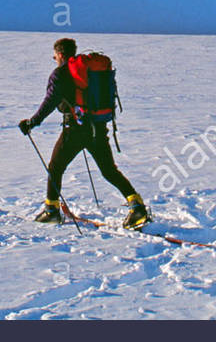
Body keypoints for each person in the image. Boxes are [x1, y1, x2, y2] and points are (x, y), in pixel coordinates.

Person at [18, 38, 150, 229]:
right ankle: (136, 205)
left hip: (75, 130)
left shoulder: (60, 74)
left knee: (55, 167)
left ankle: (51, 211)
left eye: (54, 56)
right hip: (98, 127)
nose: (54, 59)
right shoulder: (87, 71)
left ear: (60, 54)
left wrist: (32, 122)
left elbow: (50, 101)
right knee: (109, 170)